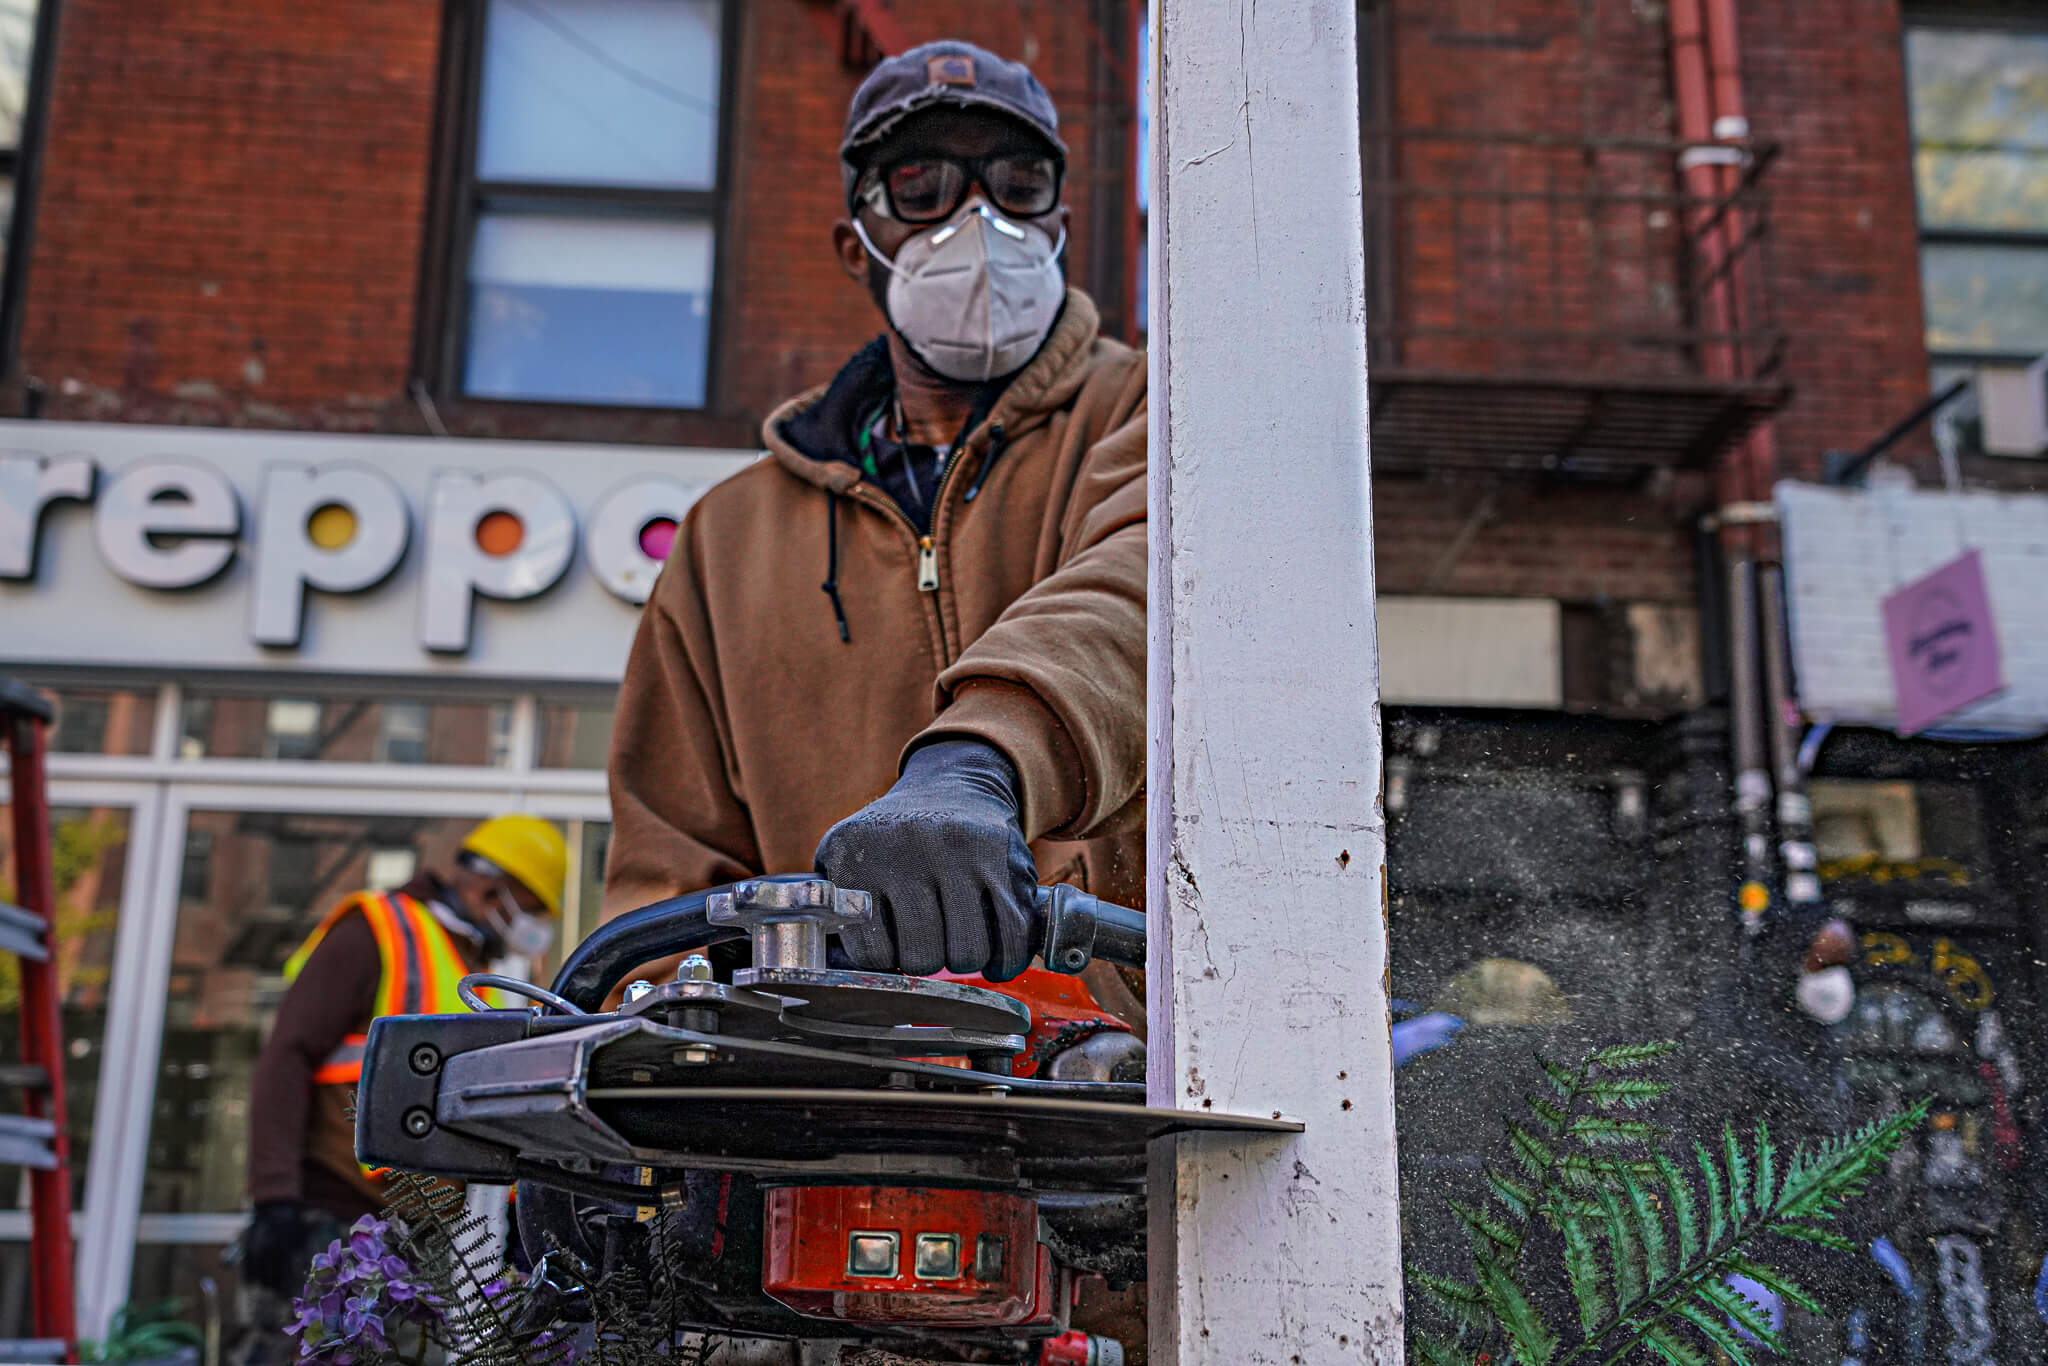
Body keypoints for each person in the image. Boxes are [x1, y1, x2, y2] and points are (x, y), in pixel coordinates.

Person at [606, 40, 1147, 987]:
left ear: (1061, 220)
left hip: (1117, 1083)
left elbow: (1142, 596)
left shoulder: (1161, 414)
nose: (979, 220)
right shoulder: (728, 542)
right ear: (854, 246)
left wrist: (980, 765)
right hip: (839, 1104)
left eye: (1017, 183)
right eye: (923, 185)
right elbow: (669, 870)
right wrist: (686, 1029)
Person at [238, 815, 568, 1299]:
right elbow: (288, 1055)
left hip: (419, 1231)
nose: (532, 929)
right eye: (532, 910)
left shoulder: (475, 975)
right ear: (493, 892)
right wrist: (274, 1199)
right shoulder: (377, 930)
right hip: (340, 1218)